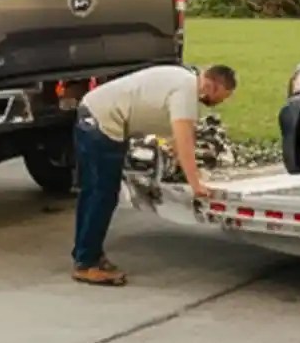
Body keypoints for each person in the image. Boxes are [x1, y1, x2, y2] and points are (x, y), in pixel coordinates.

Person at [69, 63, 237, 286]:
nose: (216, 105)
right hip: (103, 125)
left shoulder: (182, 78)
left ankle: (86, 253)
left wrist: (182, 166)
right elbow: (184, 138)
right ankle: (86, 263)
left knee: (93, 192)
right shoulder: (187, 89)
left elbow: (178, 140)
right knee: (103, 194)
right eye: (221, 98)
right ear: (212, 86)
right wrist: (196, 184)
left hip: (91, 115)